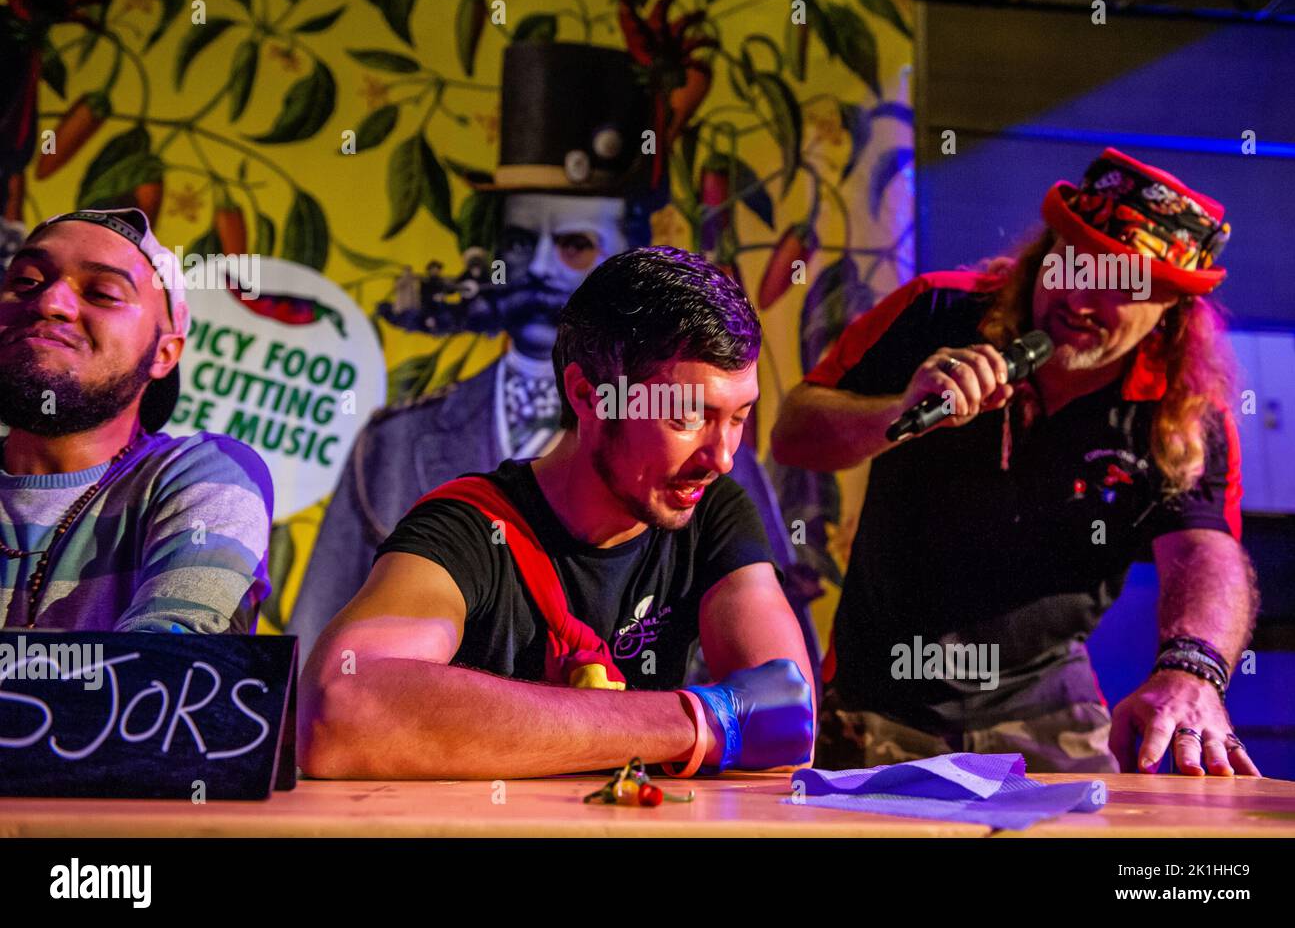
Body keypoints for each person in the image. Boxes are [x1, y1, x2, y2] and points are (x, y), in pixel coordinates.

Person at [289, 42, 820, 679]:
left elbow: (789, 704)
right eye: (518, 241)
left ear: (624, 250)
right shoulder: (400, 451)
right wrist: (687, 724)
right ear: (589, 394)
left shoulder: (718, 499)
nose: (538, 268)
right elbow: (324, 685)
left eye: (573, 244)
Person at [773, 148, 1260, 777]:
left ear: (1170, 308)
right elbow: (793, 435)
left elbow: (1204, 552)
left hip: (1050, 703)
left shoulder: (1185, 406)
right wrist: (897, 412)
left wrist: (1193, 667)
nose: (1082, 298)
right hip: (879, 695)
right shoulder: (936, 311)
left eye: (1122, 285)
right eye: (1073, 263)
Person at [299, 247, 815, 779]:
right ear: (589, 396)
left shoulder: (712, 509)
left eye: (738, 418)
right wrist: (700, 721)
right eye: (687, 419)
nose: (721, 458)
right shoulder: (468, 528)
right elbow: (341, 705)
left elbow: (787, 723)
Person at [0, 207, 273, 632]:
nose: (50, 302)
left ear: (164, 354)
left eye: (103, 293)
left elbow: (162, 675)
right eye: (26, 282)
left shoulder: (204, 473)